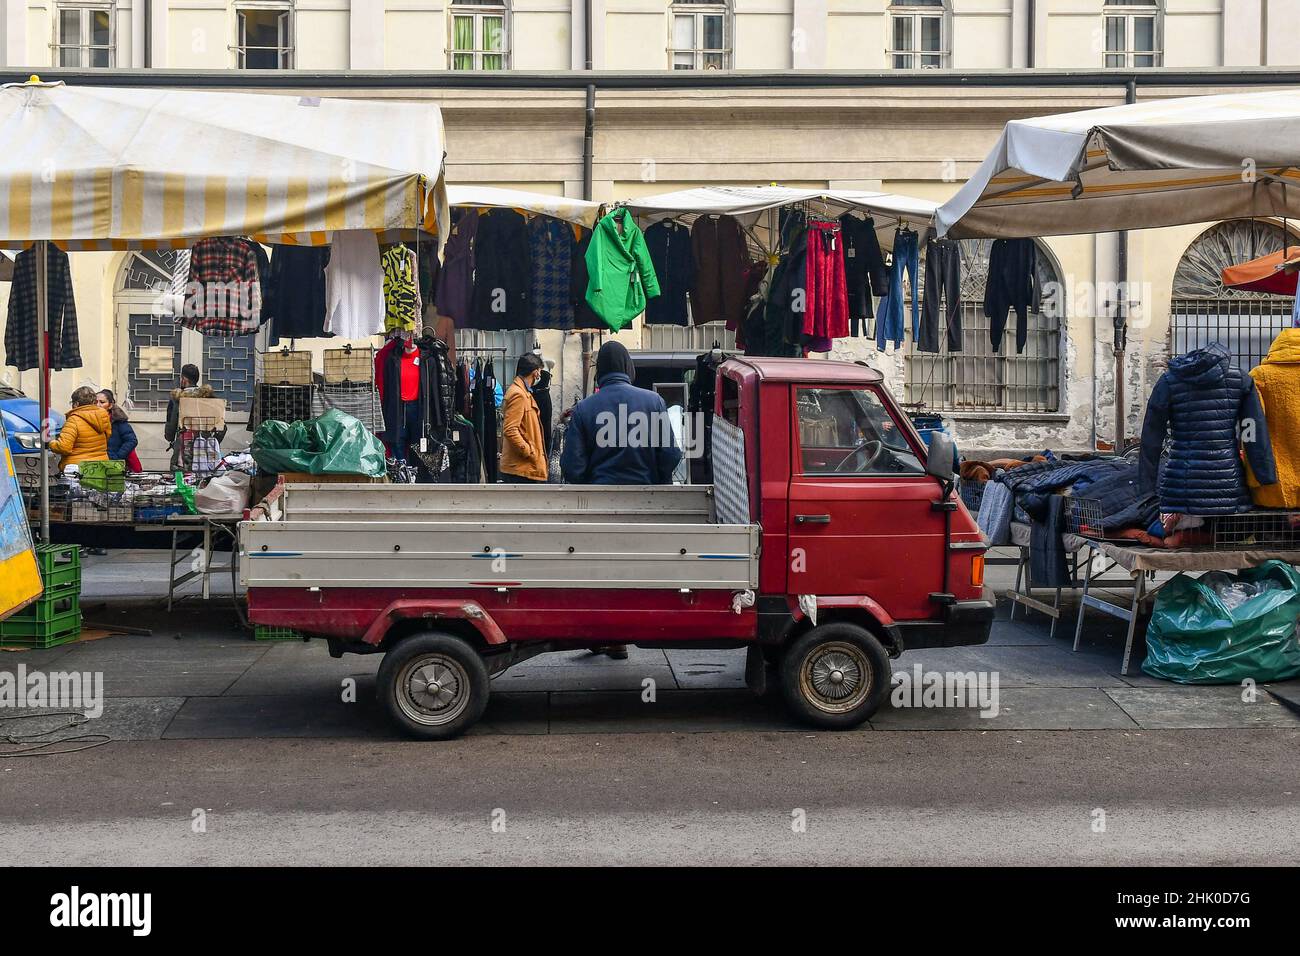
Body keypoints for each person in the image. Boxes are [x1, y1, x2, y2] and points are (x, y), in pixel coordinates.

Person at [561, 341, 683, 659]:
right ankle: (624, 635)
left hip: (599, 511)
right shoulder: (653, 402)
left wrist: (593, 483)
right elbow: (670, 455)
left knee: (600, 576)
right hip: (644, 509)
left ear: (599, 370)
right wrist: (654, 480)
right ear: (629, 368)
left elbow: (571, 467)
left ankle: (607, 635)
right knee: (633, 574)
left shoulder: (585, 409)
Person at [165, 363, 226, 469]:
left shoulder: (177, 400)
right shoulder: (209, 399)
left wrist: (170, 438)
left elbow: (171, 426)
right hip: (204, 450)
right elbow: (223, 427)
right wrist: (212, 441)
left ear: (184, 379)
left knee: (181, 480)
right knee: (202, 480)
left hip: (183, 450)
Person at [499, 353, 548, 484]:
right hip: (521, 469)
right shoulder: (518, 394)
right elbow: (510, 430)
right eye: (539, 371)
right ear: (535, 372)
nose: (540, 375)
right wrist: (530, 452)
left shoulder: (523, 392)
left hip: (522, 468)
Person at [48, 385, 112, 472]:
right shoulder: (103, 416)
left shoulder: (74, 420)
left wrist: (51, 443)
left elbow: (64, 447)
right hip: (100, 467)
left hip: (78, 469)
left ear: (76, 404)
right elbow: (107, 436)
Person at [96, 389, 142, 473]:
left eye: (102, 402)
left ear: (110, 405)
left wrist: (117, 457)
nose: (98, 405)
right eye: (95, 402)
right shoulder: (92, 421)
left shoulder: (118, 421)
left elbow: (132, 440)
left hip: (116, 466)